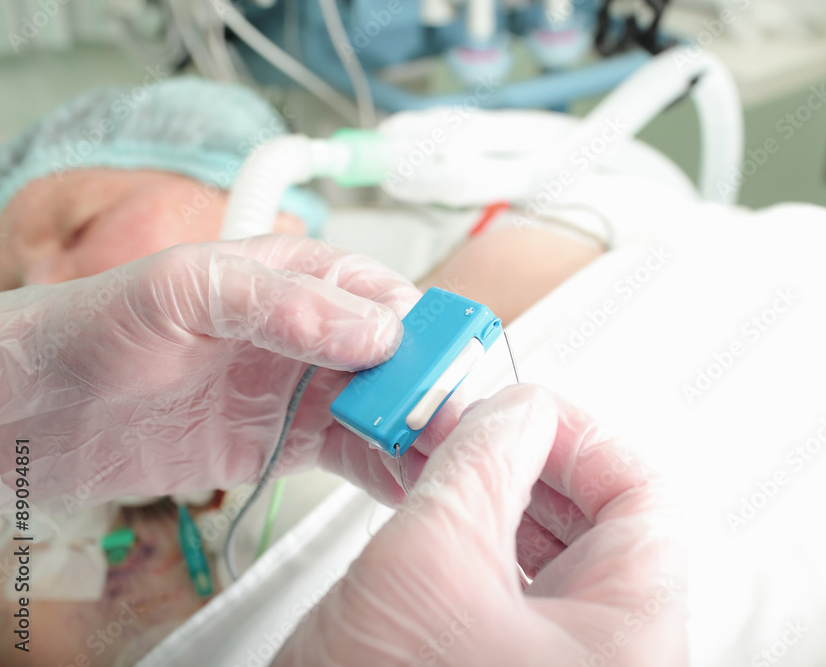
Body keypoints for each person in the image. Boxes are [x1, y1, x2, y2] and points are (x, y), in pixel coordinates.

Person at [0, 78, 684, 665]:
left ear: (246, 187)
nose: (49, 281)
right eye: (15, 289)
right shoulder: (60, 504)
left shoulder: (537, 236)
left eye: (76, 225)